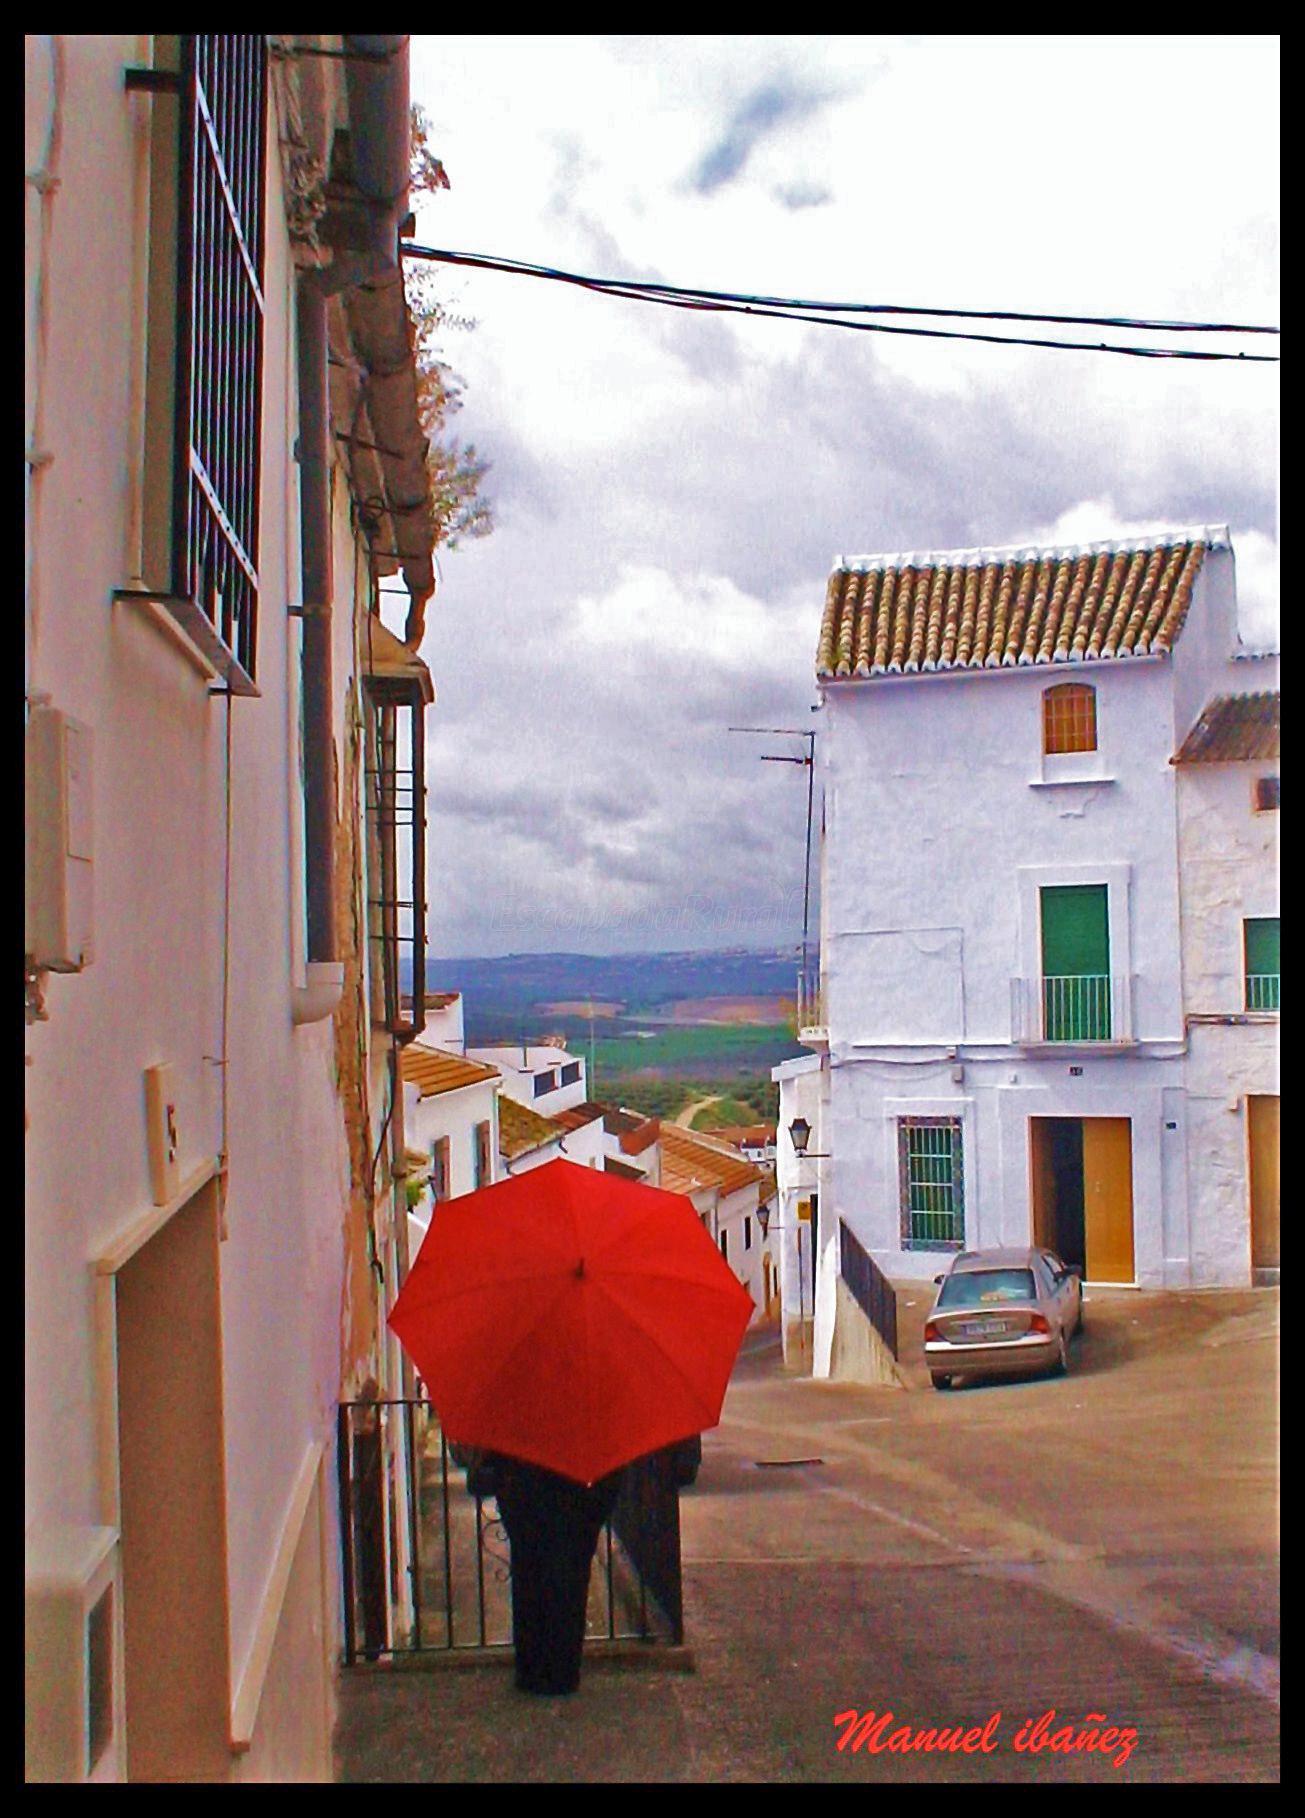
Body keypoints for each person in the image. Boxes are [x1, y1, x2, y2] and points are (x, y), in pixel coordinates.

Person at [487, 1453, 626, 1694]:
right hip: (572, 1509)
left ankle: (533, 1670)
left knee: (531, 1585)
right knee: (567, 1589)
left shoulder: (521, 1428)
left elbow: (501, 1471)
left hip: (534, 1508)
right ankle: (561, 1671)